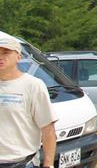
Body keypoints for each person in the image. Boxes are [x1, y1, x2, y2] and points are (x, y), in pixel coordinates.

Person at [0, 37, 57, 168]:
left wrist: (48, 164)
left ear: (18, 57)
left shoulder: (33, 85)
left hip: (22, 162)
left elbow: (48, 129)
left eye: (6, 52)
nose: (1, 57)